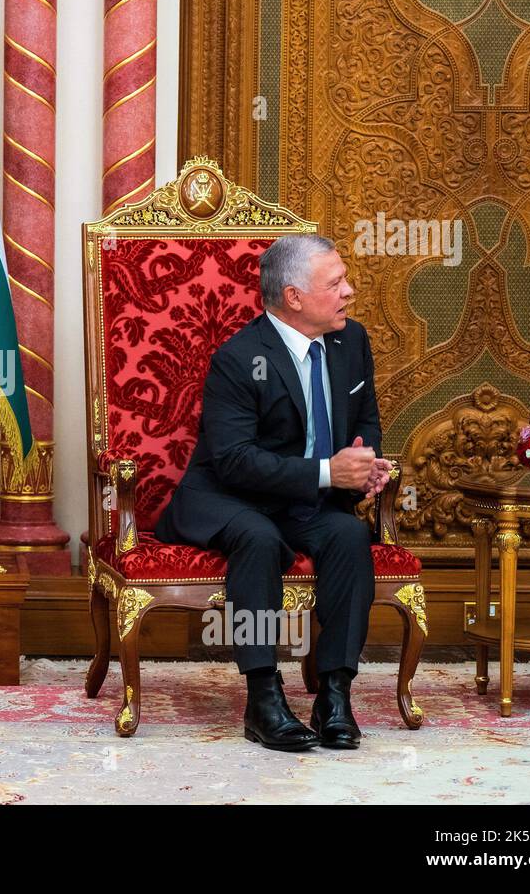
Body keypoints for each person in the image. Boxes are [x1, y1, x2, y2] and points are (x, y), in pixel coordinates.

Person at [154, 233, 393, 752]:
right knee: (258, 538)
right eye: (336, 283)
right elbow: (235, 460)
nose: (349, 292)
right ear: (294, 297)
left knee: (349, 537)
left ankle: (335, 695)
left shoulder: (350, 342)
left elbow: (366, 418)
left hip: (303, 500)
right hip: (229, 496)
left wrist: (365, 463)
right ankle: (263, 698)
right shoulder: (240, 359)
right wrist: (332, 473)